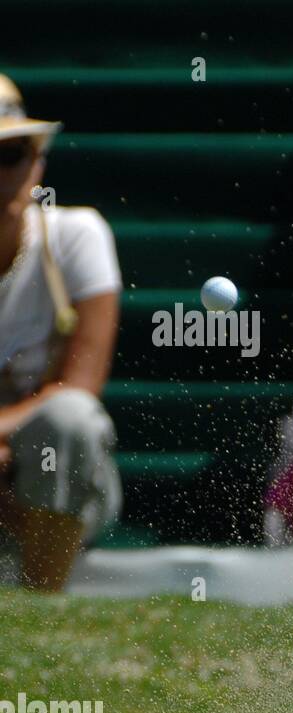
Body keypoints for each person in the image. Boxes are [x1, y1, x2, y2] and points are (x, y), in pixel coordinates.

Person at [0, 74, 122, 592]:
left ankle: (42, 595)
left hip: (44, 479)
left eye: (11, 154)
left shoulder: (78, 234)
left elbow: (80, 386)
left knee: (71, 419)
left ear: (38, 165)